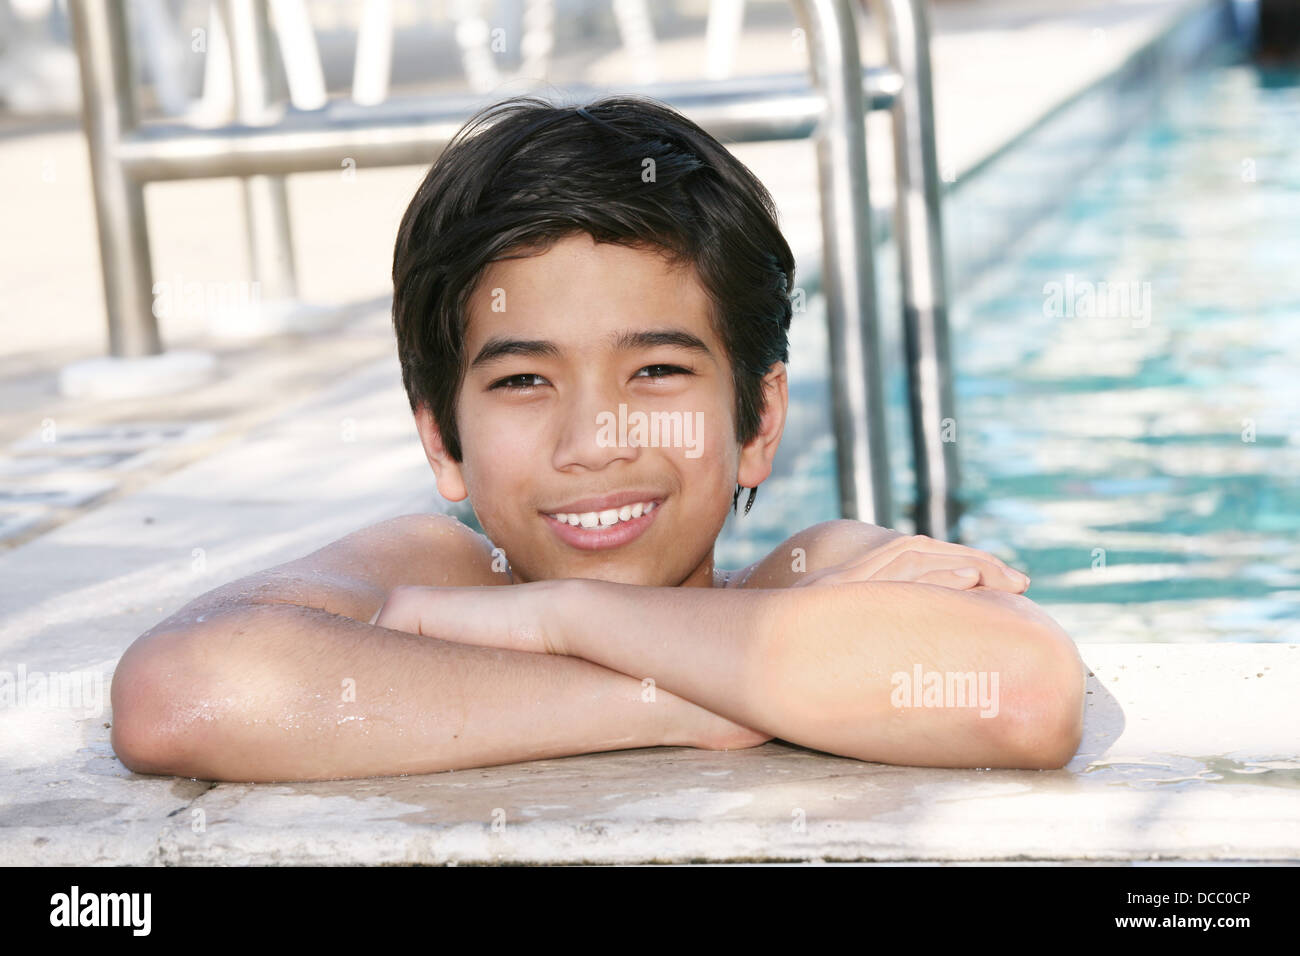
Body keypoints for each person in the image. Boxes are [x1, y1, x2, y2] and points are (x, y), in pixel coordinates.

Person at [109, 96, 1085, 783]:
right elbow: (181, 687)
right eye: (524, 380)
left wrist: (563, 617)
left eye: (656, 370)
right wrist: (679, 700)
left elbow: (1024, 688)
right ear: (441, 438)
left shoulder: (805, 566)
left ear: (758, 421)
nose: (594, 438)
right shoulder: (452, 565)